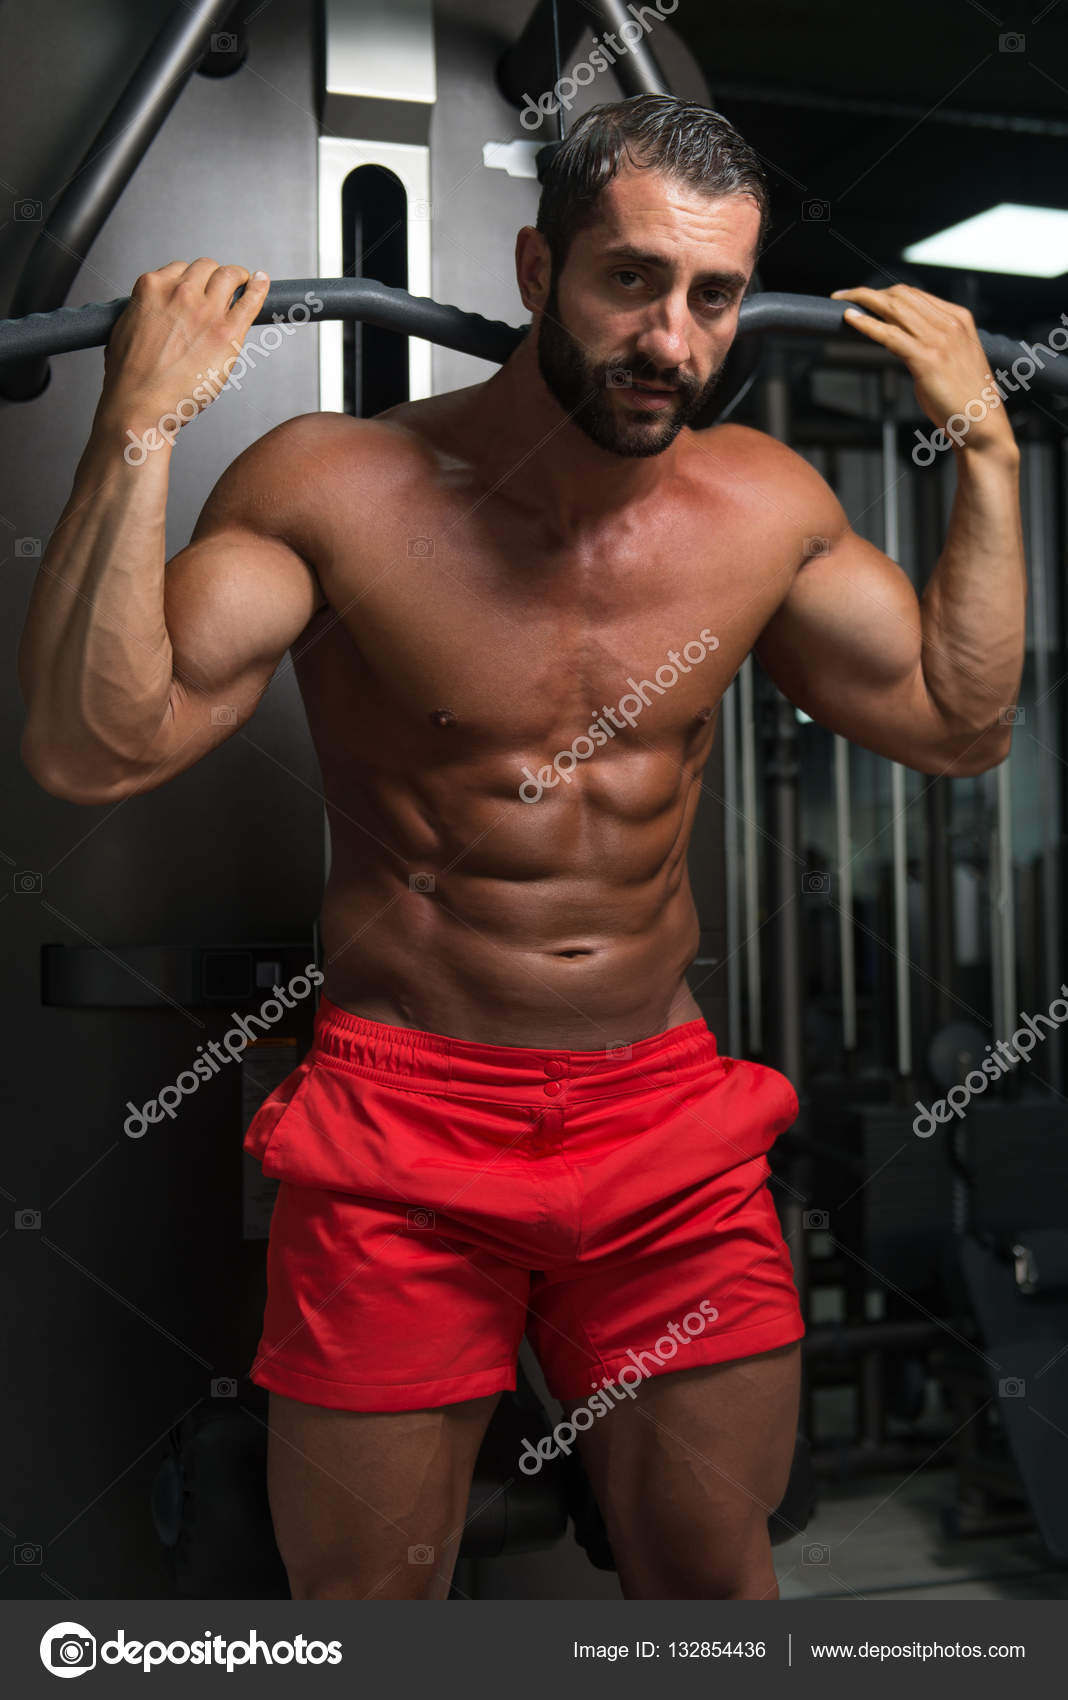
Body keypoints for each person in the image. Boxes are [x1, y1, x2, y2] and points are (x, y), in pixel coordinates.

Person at [16, 94, 1025, 1600]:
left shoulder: (764, 507)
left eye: (715, 297)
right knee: (369, 1617)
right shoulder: (332, 487)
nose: (672, 341)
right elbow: (96, 744)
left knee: (713, 1584)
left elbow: (959, 722)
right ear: (538, 263)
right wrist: (140, 421)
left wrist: (988, 450)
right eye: (632, 280)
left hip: (666, 1121)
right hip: (405, 1123)